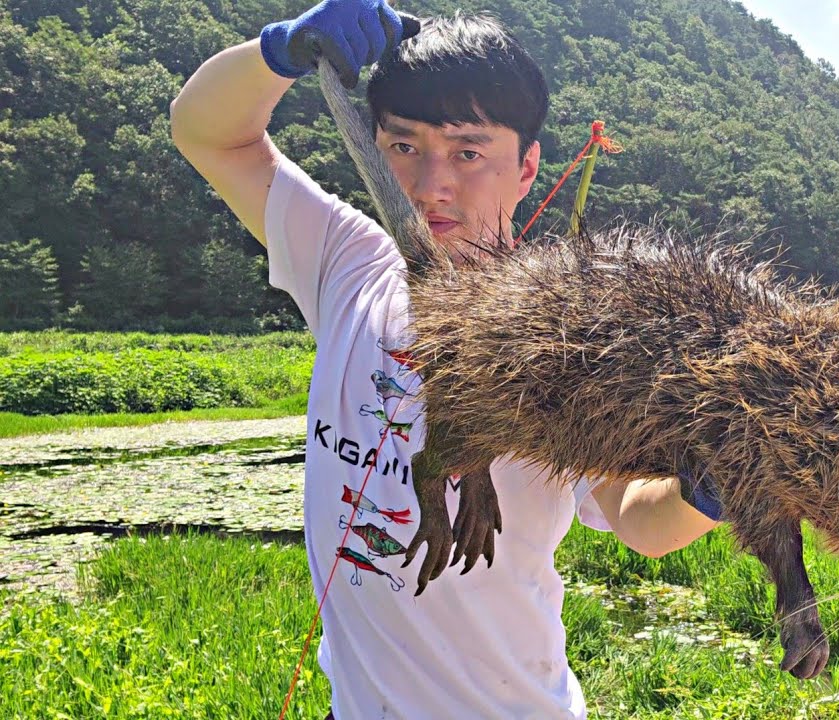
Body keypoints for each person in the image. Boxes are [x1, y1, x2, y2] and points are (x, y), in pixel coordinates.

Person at [169, 1, 724, 717]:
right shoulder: (346, 261)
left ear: (526, 167)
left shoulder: (570, 338)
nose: (432, 183)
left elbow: (640, 519)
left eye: (468, 153)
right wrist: (280, 50)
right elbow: (206, 132)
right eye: (404, 147)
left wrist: (718, 481)